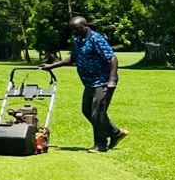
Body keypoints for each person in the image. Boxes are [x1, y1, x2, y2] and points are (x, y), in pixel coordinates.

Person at [43, 15, 128, 152]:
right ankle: (115, 132)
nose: (74, 32)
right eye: (72, 30)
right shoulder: (77, 40)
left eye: (76, 29)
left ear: (85, 26)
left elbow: (112, 58)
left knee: (97, 113)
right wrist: (52, 66)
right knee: (87, 111)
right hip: (89, 82)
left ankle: (100, 144)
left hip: (103, 81)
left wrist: (112, 80)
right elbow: (72, 58)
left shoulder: (96, 38)